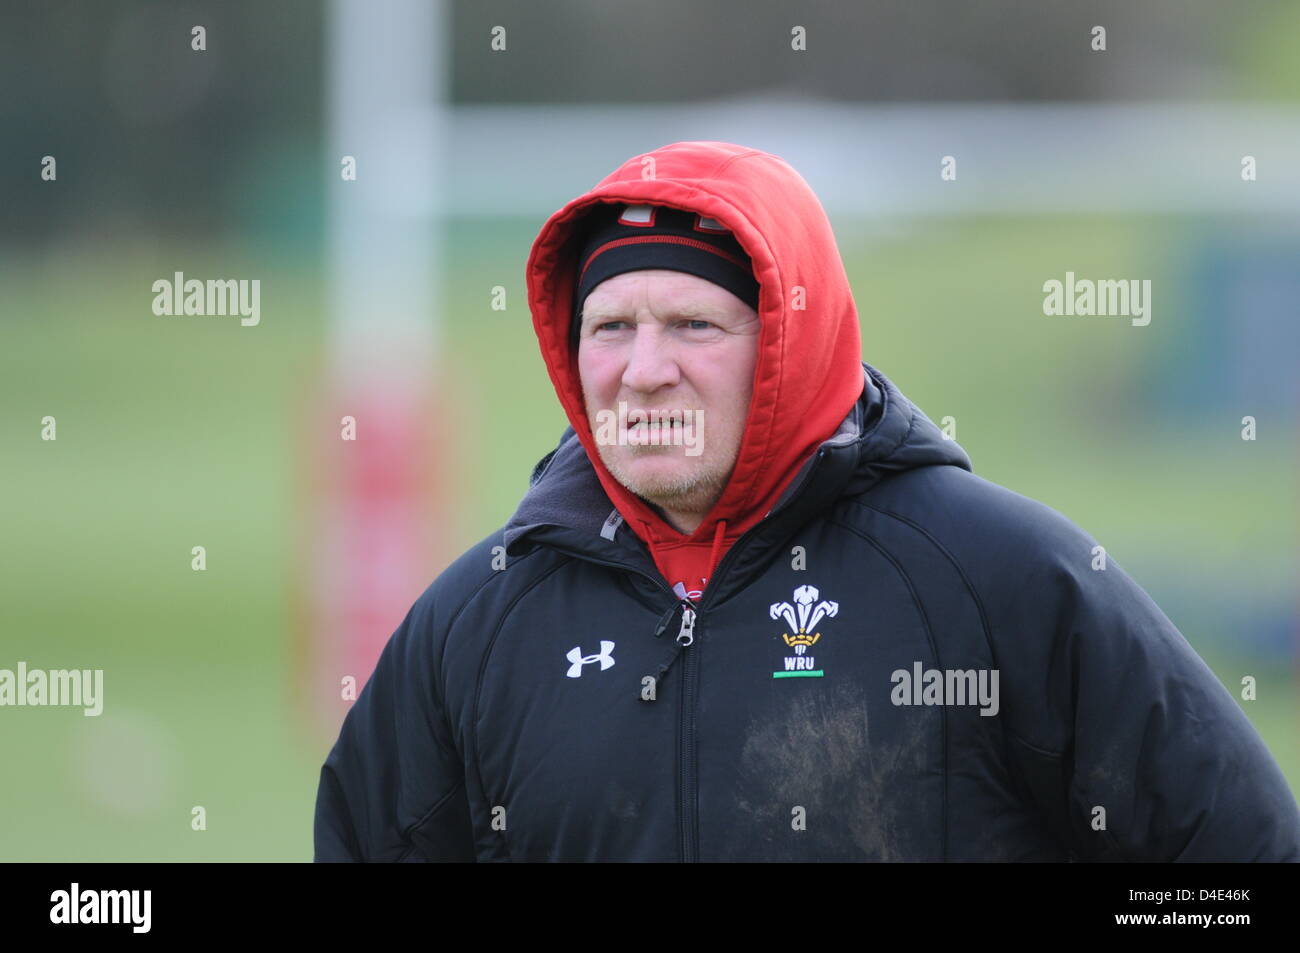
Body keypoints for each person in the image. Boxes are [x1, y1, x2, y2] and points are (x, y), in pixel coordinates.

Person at [313, 140, 1300, 862]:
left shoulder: (996, 577)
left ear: (791, 346)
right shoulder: (479, 618)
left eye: (693, 323)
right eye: (609, 326)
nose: (642, 371)